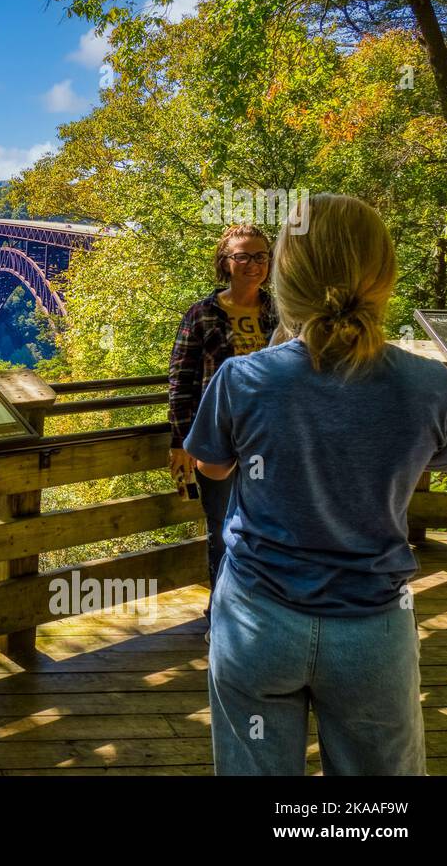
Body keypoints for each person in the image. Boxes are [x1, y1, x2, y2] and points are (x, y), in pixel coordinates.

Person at [185, 194, 447, 775]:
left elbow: (212, 466)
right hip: (371, 628)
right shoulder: (431, 385)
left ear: (286, 274)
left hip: (257, 620)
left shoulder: (243, 379)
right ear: (383, 274)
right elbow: (441, 458)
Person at [167, 223, 279, 634]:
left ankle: (263, 614)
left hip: (274, 440)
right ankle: (223, 616)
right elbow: (181, 381)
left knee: (271, 530)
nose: (254, 264)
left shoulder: (281, 311)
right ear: (225, 263)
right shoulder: (202, 314)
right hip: (220, 440)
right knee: (222, 532)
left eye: (261, 255)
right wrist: (182, 442)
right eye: (243, 256)